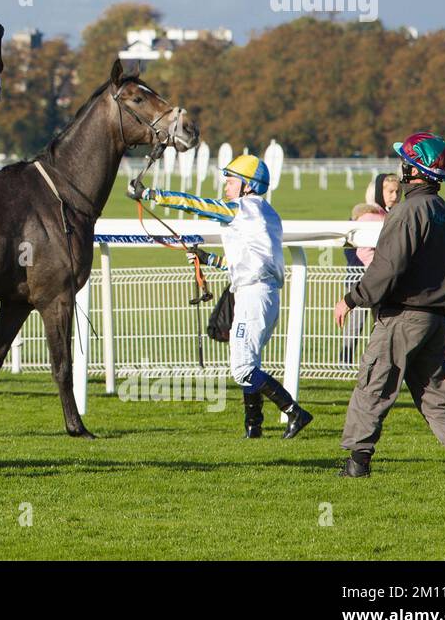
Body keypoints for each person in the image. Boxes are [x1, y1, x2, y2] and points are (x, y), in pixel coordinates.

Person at [333, 132, 445, 481]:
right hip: (437, 319)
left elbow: (386, 269)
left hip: (403, 317)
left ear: (414, 169)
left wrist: (351, 298)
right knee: (435, 396)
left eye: (405, 161)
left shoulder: (406, 211)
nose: (400, 166)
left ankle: (357, 465)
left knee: (373, 386)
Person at [133, 155, 313, 440]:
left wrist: (151, 195)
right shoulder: (266, 213)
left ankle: (294, 412)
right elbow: (247, 260)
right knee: (249, 363)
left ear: (247, 186)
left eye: (231, 181)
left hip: (253, 297)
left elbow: (198, 205)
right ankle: (253, 427)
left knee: (242, 368)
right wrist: (210, 260)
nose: (226, 187)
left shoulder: (242, 209)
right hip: (262, 295)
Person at [341, 201, 385, 363]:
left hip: (374, 278)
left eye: (396, 191)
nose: (394, 196)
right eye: (390, 191)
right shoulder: (370, 217)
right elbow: (354, 251)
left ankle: (375, 362)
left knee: (381, 324)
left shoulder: (386, 215)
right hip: (361, 278)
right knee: (357, 323)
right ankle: (345, 360)